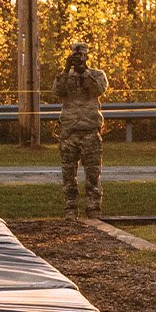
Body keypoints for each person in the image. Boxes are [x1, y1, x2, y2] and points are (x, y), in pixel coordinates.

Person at [52, 43, 109, 217]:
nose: (78, 59)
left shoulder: (97, 75)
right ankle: (70, 207)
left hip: (90, 130)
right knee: (68, 173)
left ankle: (93, 208)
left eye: (81, 56)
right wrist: (66, 69)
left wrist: (84, 72)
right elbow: (57, 91)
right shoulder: (64, 76)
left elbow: (98, 90)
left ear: (87, 57)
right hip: (69, 131)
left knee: (93, 172)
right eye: (75, 56)